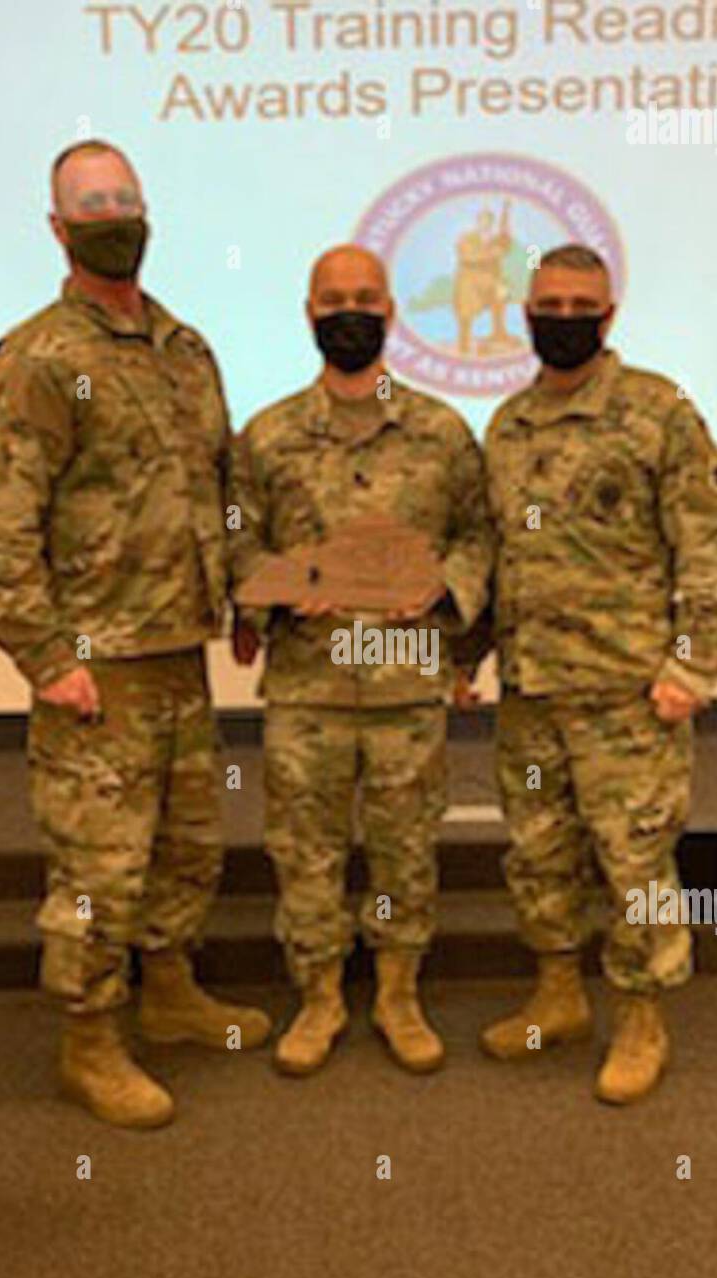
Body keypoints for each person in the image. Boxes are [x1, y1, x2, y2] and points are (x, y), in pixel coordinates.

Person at [0, 140, 269, 1129]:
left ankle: (170, 991)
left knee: (184, 845)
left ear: (149, 212)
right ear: (56, 228)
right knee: (98, 863)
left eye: (125, 197)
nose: (113, 213)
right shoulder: (39, 357)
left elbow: (219, 489)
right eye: (91, 202)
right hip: (94, 660)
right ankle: (89, 1042)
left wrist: (242, 597)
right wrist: (45, 656)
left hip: (177, 646)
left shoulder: (185, 350)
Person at [463, 243, 717, 1104]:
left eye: (579, 304)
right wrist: (460, 652)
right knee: (539, 854)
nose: (561, 318)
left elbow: (708, 547)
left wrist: (692, 668)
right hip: (533, 693)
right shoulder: (508, 425)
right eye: (547, 304)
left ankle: (640, 1016)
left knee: (636, 865)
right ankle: (558, 997)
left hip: (629, 695)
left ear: (609, 313)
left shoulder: (657, 413)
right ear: (525, 312)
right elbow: (496, 551)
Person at [228, 245, 493, 1075]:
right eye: (334, 298)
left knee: (404, 846)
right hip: (308, 683)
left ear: (391, 313)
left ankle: (398, 990)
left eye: (366, 297)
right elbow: (234, 544)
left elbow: (479, 536)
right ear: (308, 312)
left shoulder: (442, 432)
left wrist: (444, 590)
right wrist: (273, 590)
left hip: (405, 680)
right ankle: (317, 994)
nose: (350, 310)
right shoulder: (268, 436)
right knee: (303, 850)